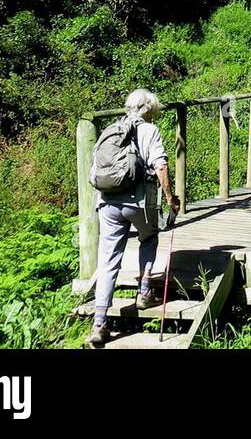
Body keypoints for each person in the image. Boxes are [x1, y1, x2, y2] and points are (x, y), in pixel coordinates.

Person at [87, 89, 180, 348]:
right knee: (149, 237)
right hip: (139, 203)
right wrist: (171, 199)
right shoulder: (150, 130)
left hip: (107, 202)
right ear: (149, 109)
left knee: (108, 259)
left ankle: (100, 323)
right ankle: (144, 292)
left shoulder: (111, 129)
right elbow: (160, 165)